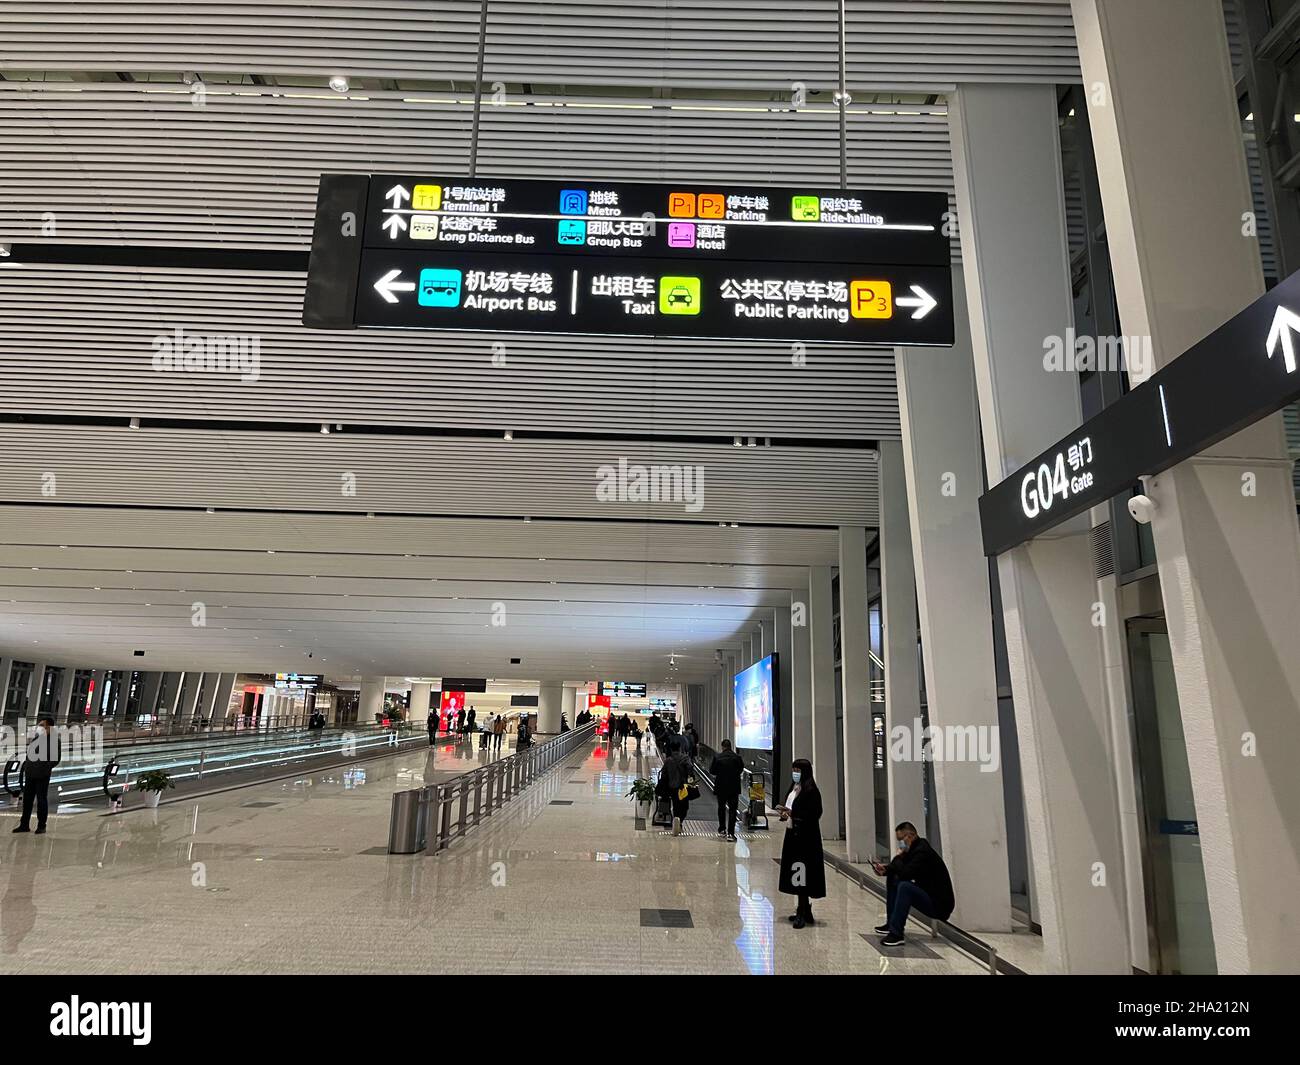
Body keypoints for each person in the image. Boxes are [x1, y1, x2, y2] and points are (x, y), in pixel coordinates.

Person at [869, 821, 955, 946]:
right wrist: (886, 870)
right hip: (928, 894)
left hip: (939, 905)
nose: (900, 843)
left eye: (901, 839)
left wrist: (899, 856)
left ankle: (896, 934)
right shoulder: (914, 849)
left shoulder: (922, 851)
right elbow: (901, 869)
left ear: (911, 836)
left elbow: (905, 873)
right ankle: (890, 924)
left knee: (905, 887)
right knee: (893, 878)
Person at [777, 758, 825, 928]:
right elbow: (792, 807)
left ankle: (802, 911)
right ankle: (803, 908)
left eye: (797, 770)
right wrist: (786, 814)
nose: (794, 773)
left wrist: (793, 813)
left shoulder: (811, 791)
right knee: (797, 873)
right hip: (793, 836)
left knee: (802, 873)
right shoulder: (794, 788)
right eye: (793, 769)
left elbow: (815, 813)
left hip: (806, 839)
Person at [13, 716, 60, 835]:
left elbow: (55, 759)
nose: (39, 727)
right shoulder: (37, 738)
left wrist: (44, 767)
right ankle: (24, 824)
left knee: (41, 800)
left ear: (49, 727)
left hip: (42, 775)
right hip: (30, 773)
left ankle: (41, 825)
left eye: (42, 725)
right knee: (27, 800)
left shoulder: (54, 740)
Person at [709, 739, 744, 841]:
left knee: (721, 808)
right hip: (734, 787)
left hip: (721, 787)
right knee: (733, 810)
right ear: (730, 746)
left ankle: (722, 829)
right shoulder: (737, 758)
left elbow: (712, 771)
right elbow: (741, 769)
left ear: (722, 747)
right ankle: (731, 834)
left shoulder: (717, 757)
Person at [662, 738, 693, 836]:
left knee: (675, 805)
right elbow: (690, 770)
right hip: (683, 787)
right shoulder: (685, 758)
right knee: (684, 806)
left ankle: (676, 819)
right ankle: (680, 821)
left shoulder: (668, 760)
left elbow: (664, 775)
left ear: (671, 749)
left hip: (672, 787)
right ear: (679, 748)